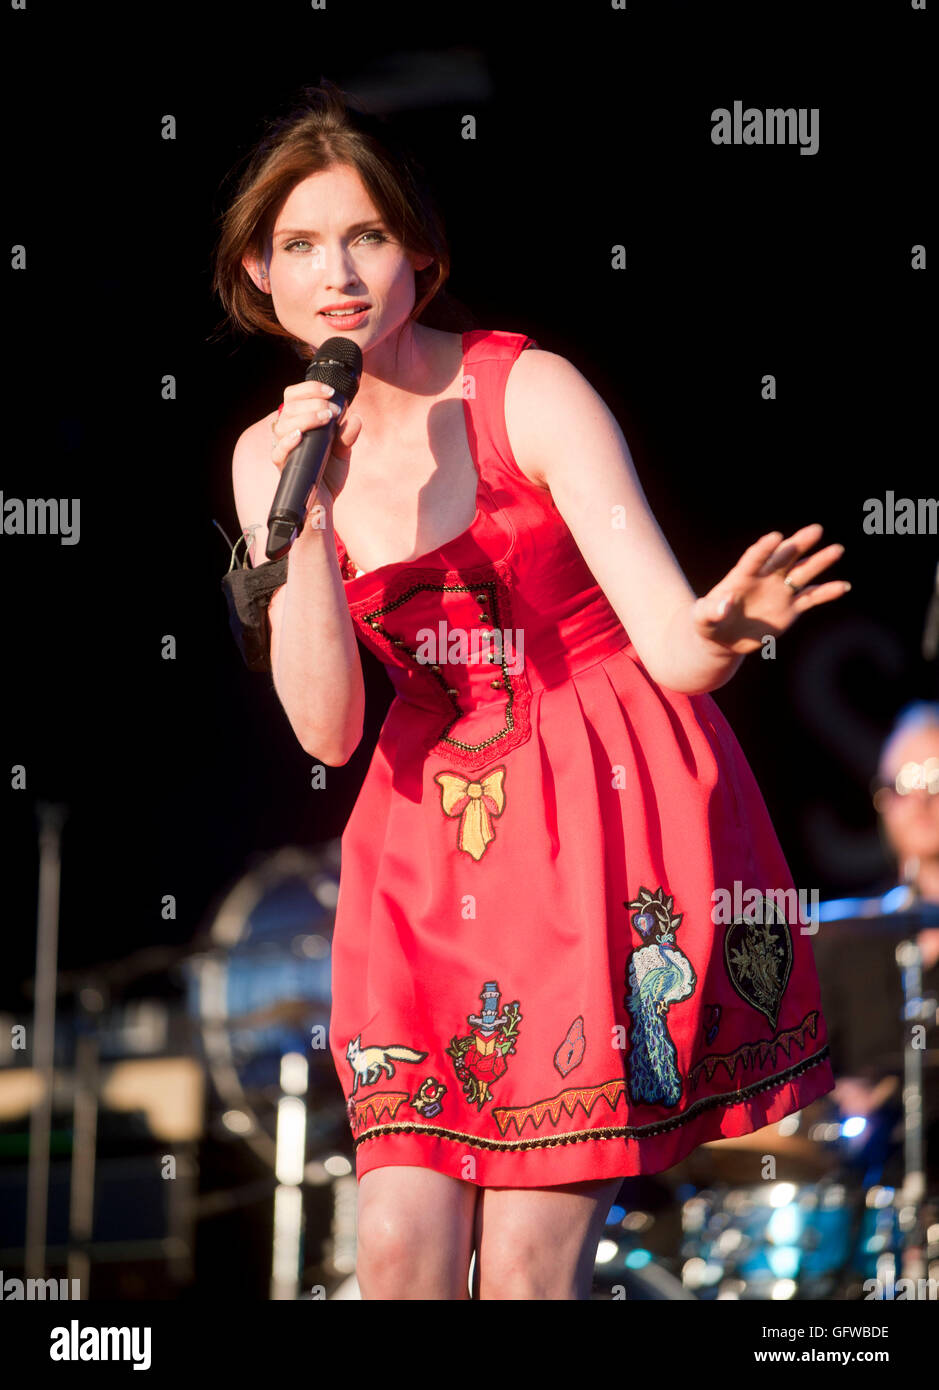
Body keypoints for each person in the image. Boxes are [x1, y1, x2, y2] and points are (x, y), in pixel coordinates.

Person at [212, 81, 850, 1300]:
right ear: (258, 273)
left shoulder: (529, 392)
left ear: (422, 255)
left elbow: (672, 643)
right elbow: (329, 728)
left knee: (524, 1264)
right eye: (299, 244)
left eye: (366, 236)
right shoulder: (272, 459)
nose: (336, 271)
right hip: (423, 836)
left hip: (592, 810)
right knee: (396, 1253)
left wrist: (729, 628)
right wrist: (306, 528)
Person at [815, 701, 939, 1186]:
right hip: (867, 1199)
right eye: (903, 786)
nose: (923, 803)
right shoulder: (842, 940)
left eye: (935, 780)